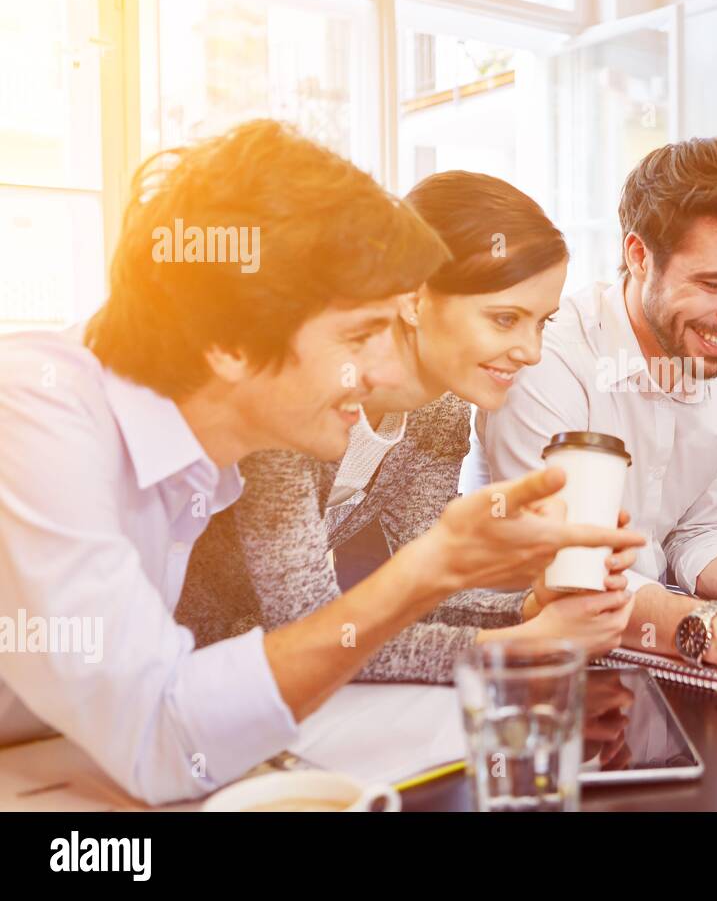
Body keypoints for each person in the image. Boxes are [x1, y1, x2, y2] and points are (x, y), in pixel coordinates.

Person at [0, 121, 642, 805]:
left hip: (68, 750)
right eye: (361, 335)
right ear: (231, 342)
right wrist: (440, 575)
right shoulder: (35, 417)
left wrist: (499, 594)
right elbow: (165, 735)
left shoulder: (202, 463)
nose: (380, 368)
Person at [176, 170, 638, 675]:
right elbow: (311, 628)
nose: (531, 352)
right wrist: (520, 643)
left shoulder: (438, 413)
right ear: (415, 300)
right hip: (189, 674)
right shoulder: (299, 402)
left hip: (272, 678)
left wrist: (528, 609)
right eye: (505, 318)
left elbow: (415, 589)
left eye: (542, 321)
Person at [469, 137, 717, 700]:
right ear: (637, 255)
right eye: (714, 284)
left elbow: (699, 529)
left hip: (643, 659)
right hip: (519, 671)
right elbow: (570, 575)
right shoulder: (548, 362)